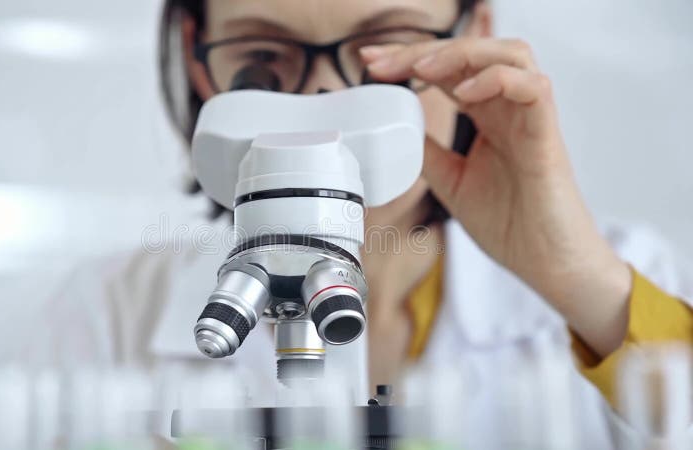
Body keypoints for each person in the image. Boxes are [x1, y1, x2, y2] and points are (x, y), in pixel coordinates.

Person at [34, 0, 693, 447]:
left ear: (473, 39)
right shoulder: (107, 313)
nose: (325, 99)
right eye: (265, 59)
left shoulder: (617, 277)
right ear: (198, 57)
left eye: (386, 55)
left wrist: (572, 273)